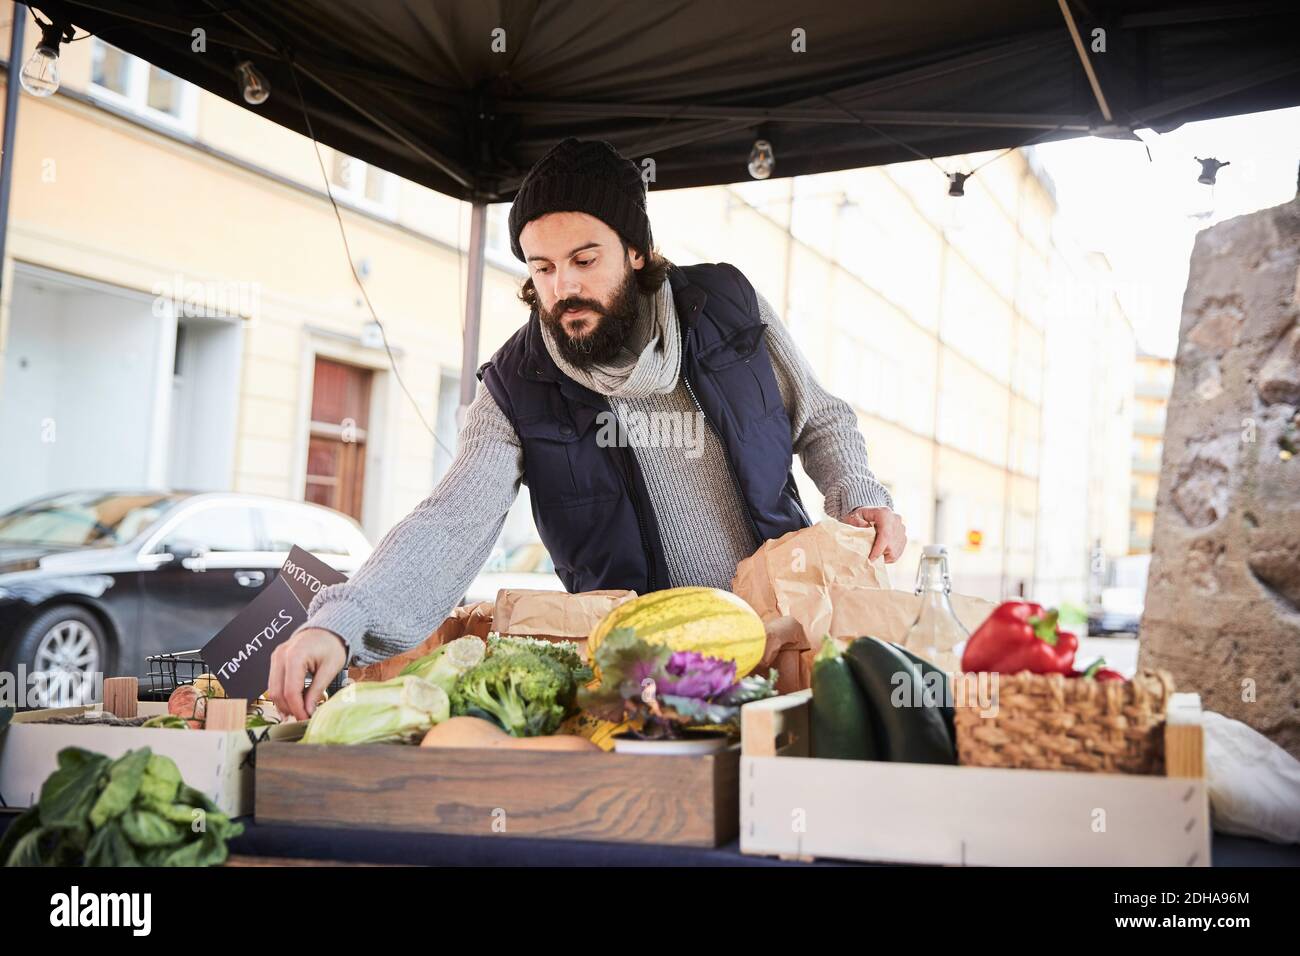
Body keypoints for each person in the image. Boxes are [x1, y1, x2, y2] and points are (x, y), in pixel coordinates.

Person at [268, 138, 906, 720]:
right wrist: (341, 621)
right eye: (542, 267)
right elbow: (452, 519)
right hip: (645, 682)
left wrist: (858, 490)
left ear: (636, 250)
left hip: (785, 636)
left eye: (584, 258)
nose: (563, 286)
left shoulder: (728, 308)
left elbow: (819, 417)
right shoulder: (517, 387)